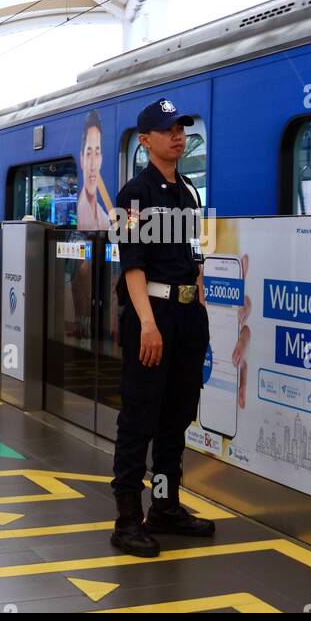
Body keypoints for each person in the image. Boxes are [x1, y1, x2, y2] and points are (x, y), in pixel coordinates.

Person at [109, 97, 216, 558]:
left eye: (183, 129)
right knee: (140, 416)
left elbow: (194, 252)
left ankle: (164, 506)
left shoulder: (189, 190)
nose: (179, 136)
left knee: (177, 414)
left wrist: (199, 296)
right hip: (150, 314)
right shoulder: (134, 194)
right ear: (146, 139)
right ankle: (127, 519)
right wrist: (148, 325)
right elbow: (131, 264)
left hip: (188, 315)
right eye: (169, 130)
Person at [76, 110, 112, 231]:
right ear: (81, 159)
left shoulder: (104, 218)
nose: (92, 166)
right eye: (88, 153)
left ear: (101, 158)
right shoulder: (79, 215)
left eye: (96, 153)